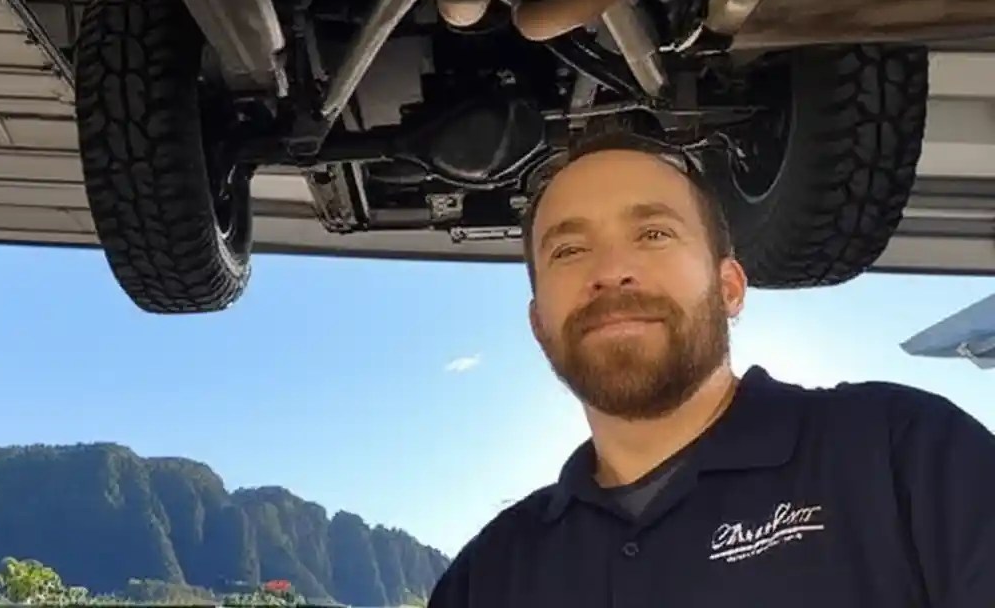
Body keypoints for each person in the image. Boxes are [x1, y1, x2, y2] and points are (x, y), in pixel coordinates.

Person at [426, 130, 995, 608]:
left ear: (729, 288)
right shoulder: (489, 577)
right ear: (538, 324)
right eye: (568, 251)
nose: (611, 271)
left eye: (652, 234)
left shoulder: (904, 452)